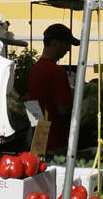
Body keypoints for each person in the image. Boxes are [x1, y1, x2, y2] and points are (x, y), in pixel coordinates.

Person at [25, 23, 80, 151]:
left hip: (39, 134)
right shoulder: (56, 71)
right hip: (55, 139)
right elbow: (63, 109)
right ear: (56, 43)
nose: (68, 49)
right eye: (67, 44)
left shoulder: (35, 69)